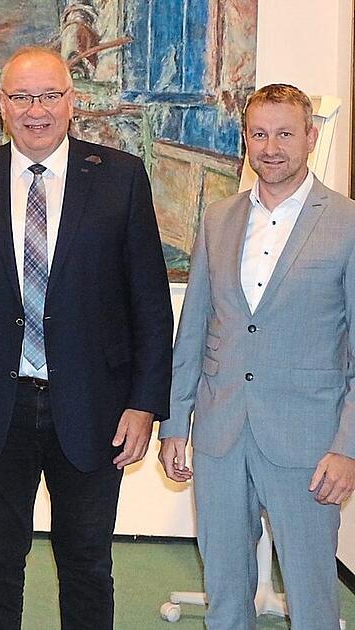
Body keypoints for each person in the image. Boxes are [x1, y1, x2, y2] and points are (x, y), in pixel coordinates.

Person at [0, 47, 173, 629]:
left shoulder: (121, 178)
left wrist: (144, 404)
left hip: (94, 407)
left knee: (87, 564)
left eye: (50, 95)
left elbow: (150, 305)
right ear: (2, 104)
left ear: (72, 101)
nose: (37, 111)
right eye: (22, 97)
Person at [160, 83, 355, 629]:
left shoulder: (347, 222)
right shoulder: (218, 219)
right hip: (220, 437)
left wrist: (348, 447)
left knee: (314, 599)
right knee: (225, 591)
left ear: (310, 138)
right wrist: (176, 424)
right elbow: (194, 330)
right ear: (245, 138)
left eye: (285, 134)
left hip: (308, 445)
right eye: (259, 133)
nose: (271, 147)